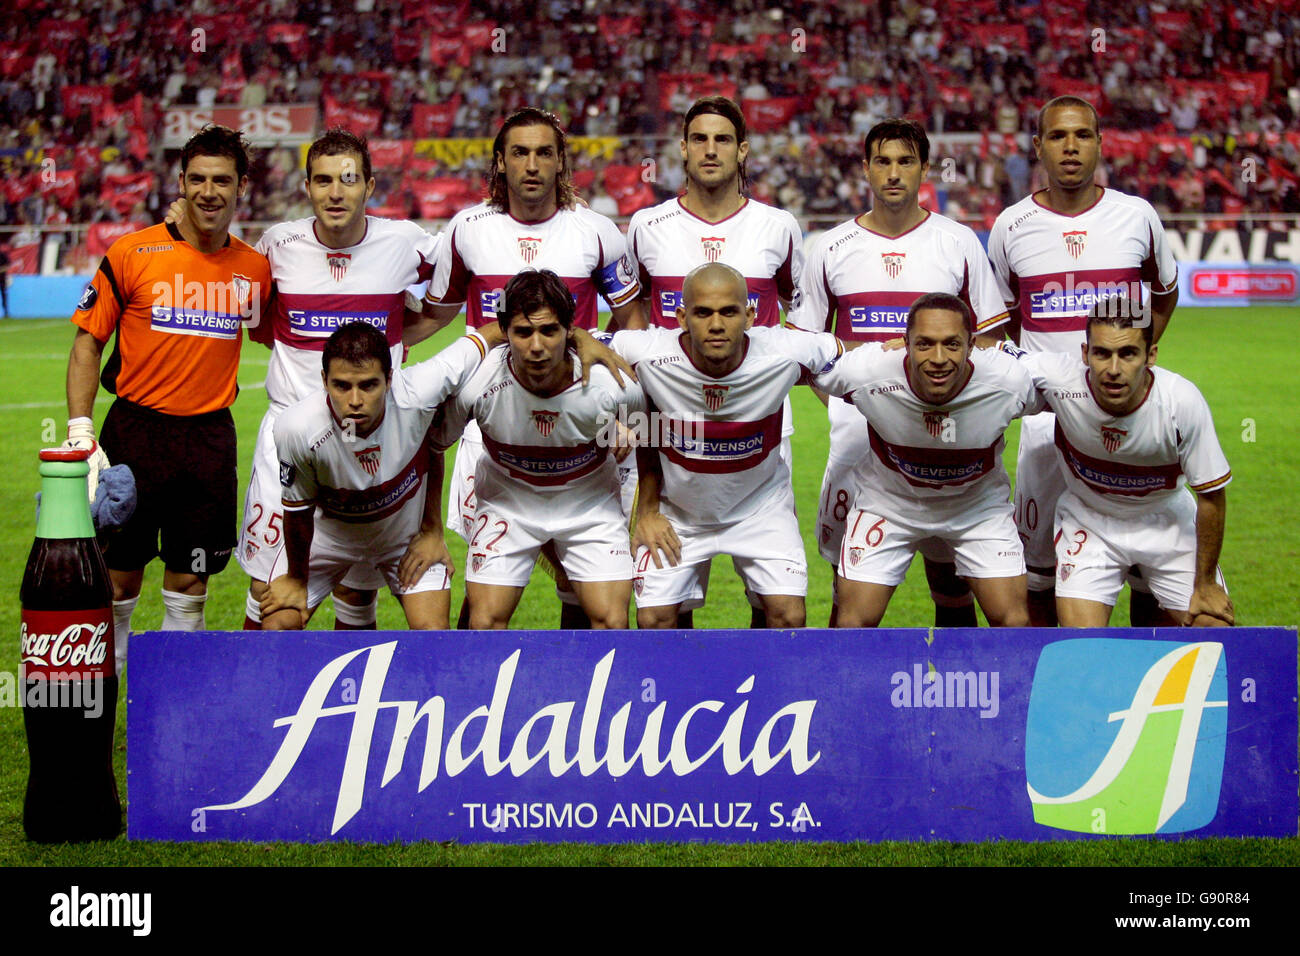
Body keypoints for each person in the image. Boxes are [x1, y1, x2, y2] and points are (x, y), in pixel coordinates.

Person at [175, 128, 446, 631]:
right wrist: (183, 226)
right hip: (289, 440)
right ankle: (267, 700)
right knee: (272, 594)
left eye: (347, 180)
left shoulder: (406, 242)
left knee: (358, 579)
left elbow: (460, 284)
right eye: (322, 181)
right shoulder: (279, 244)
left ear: (369, 185)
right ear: (306, 188)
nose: (335, 192)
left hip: (375, 434)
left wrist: (401, 333)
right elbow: (248, 308)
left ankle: (348, 699)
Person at [421, 107, 644, 627]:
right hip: (491, 419)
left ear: (561, 162)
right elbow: (434, 315)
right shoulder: (466, 230)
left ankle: (586, 698)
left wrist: (608, 371)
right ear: (499, 162)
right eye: (519, 152)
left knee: (579, 580)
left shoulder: (596, 231)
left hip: (585, 418)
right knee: (484, 595)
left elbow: (633, 320)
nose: (531, 164)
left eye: (545, 152)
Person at [63, 125, 272, 670]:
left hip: (207, 439)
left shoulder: (254, 269)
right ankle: (109, 695)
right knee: (118, 577)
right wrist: (81, 432)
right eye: (197, 179)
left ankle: (174, 704)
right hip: (134, 432)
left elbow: (283, 338)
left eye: (222, 180)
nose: (209, 191)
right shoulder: (133, 253)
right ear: (180, 182)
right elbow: (88, 344)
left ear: (241, 187)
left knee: (191, 581)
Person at [788, 118, 1009, 626]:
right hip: (854, 440)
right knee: (851, 590)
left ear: (925, 169)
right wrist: (860, 403)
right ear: (865, 169)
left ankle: (958, 696)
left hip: (946, 437)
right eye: (882, 161)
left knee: (950, 579)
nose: (894, 173)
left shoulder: (957, 242)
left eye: (906, 161)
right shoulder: (829, 247)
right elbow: (806, 350)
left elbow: (992, 342)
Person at [986, 95, 1180, 626]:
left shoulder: (1136, 217)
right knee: (1040, 573)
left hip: (1130, 419)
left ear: (1099, 143)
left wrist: (1134, 362)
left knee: (1149, 568)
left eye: (1082, 135)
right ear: (1037, 148)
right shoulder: (1011, 226)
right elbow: (998, 320)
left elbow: (1164, 293)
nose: (1070, 147)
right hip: (1047, 427)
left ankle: (1141, 687)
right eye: (1057, 136)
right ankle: (1055, 683)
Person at [625, 95, 805, 627]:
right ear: (682, 149)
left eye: (723, 139)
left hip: (759, 429)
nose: (710, 149)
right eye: (699, 139)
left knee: (772, 602)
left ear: (743, 150)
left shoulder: (778, 226)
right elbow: (632, 327)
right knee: (665, 602)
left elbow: (799, 318)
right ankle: (677, 700)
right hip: (670, 436)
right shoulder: (646, 227)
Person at [610, 263, 844, 628]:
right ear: (682, 317)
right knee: (654, 619)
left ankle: (763, 687)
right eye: (703, 313)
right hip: (679, 513)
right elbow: (575, 345)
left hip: (760, 508)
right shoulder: (646, 351)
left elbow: (855, 354)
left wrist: (905, 348)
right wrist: (613, 419)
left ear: (750, 315)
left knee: (789, 616)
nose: (716, 324)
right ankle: (677, 688)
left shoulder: (783, 351)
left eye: (729, 312)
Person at [813, 293, 1042, 629]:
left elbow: (1069, 393)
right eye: (924, 344)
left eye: (952, 344)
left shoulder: (1009, 382)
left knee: (1014, 622)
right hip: (888, 505)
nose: (938, 358)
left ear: (972, 344)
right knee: (852, 625)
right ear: (904, 343)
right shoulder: (869, 370)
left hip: (977, 509)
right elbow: (803, 365)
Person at [432, 270, 642, 629]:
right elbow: (434, 446)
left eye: (549, 331)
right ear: (504, 332)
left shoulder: (613, 384)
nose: (536, 346)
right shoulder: (477, 385)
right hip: (507, 505)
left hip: (588, 505)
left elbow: (647, 437)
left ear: (569, 330)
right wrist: (429, 531)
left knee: (612, 622)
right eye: (523, 332)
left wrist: (623, 433)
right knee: (483, 624)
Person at [1007, 301, 1231, 627]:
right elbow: (992, 360)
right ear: (1084, 353)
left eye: (1128, 354)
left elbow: (1212, 496)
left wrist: (1206, 583)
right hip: (1091, 522)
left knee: (1214, 629)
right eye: (1101, 354)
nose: (1113, 368)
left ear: (1150, 355)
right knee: (1083, 645)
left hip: (1166, 521)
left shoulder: (1181, 402)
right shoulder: (1061, 382)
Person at [260, 321, 493, 630]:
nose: (355, 400)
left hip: (403, 540)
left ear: (390, 379)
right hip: (328, 540)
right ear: (324, 381)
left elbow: (492, 333)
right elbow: (297, 512)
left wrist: (433, 532)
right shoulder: (297, 428)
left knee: (434, 635)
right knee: (278, 625)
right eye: (342, 385)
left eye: (368, 385)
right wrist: (296, 579)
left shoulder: (420, 389)